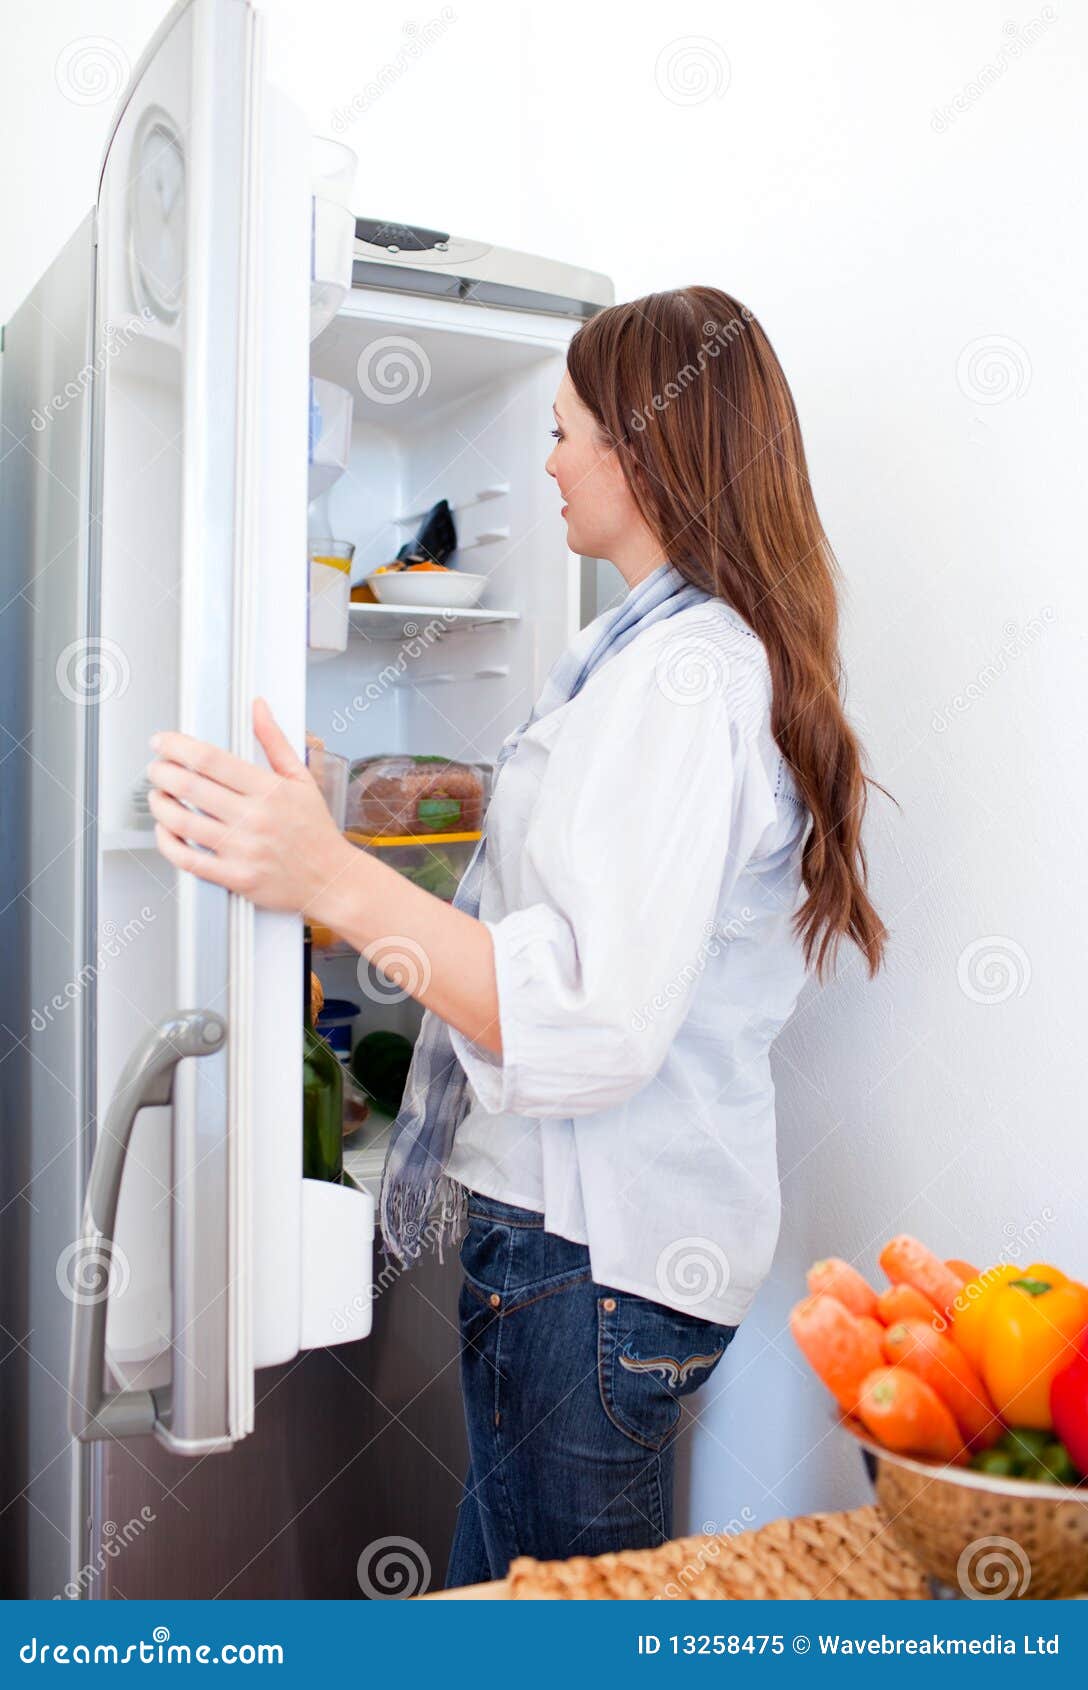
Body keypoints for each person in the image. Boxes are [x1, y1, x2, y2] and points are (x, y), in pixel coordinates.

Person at [146, 285, 889, 1587]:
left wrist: (327, 873)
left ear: (643, 448)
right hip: (588, 1254)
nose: (543, 463)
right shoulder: (647, 651)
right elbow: (541, 909)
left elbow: (591, 1019)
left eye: (564, 432)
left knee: (552, 1630)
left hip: (590, 1269)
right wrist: (330, 843)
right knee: (514, 1610)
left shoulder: (683, 672)